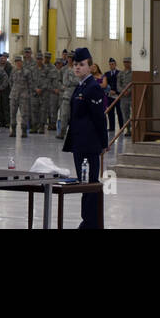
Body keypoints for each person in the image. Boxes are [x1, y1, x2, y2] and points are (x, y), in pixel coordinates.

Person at [63, 47, 108, 229]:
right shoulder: (80, 86)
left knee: (91, 184)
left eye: (81, 65)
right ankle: (87, 221)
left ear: (90, 66)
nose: (77, 68)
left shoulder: (93, 88)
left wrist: (104, 143)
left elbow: (99, 118)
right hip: (79, 144)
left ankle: (91, 223)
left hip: (90, 145)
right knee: (84, 183)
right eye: (75, 65)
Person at [119, 58, 134, 137]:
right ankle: (128, 130)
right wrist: (123, 91)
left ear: (130, 63)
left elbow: (134, 82)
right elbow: (118, 85)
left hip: (132, 96)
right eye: (124, 62)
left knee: (133, 113)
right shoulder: (120, 73)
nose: (126, 63)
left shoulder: (134, 73)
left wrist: (129, 90)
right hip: (123, 97)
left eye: (128, 62)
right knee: (125, 114)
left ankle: (133, 129)